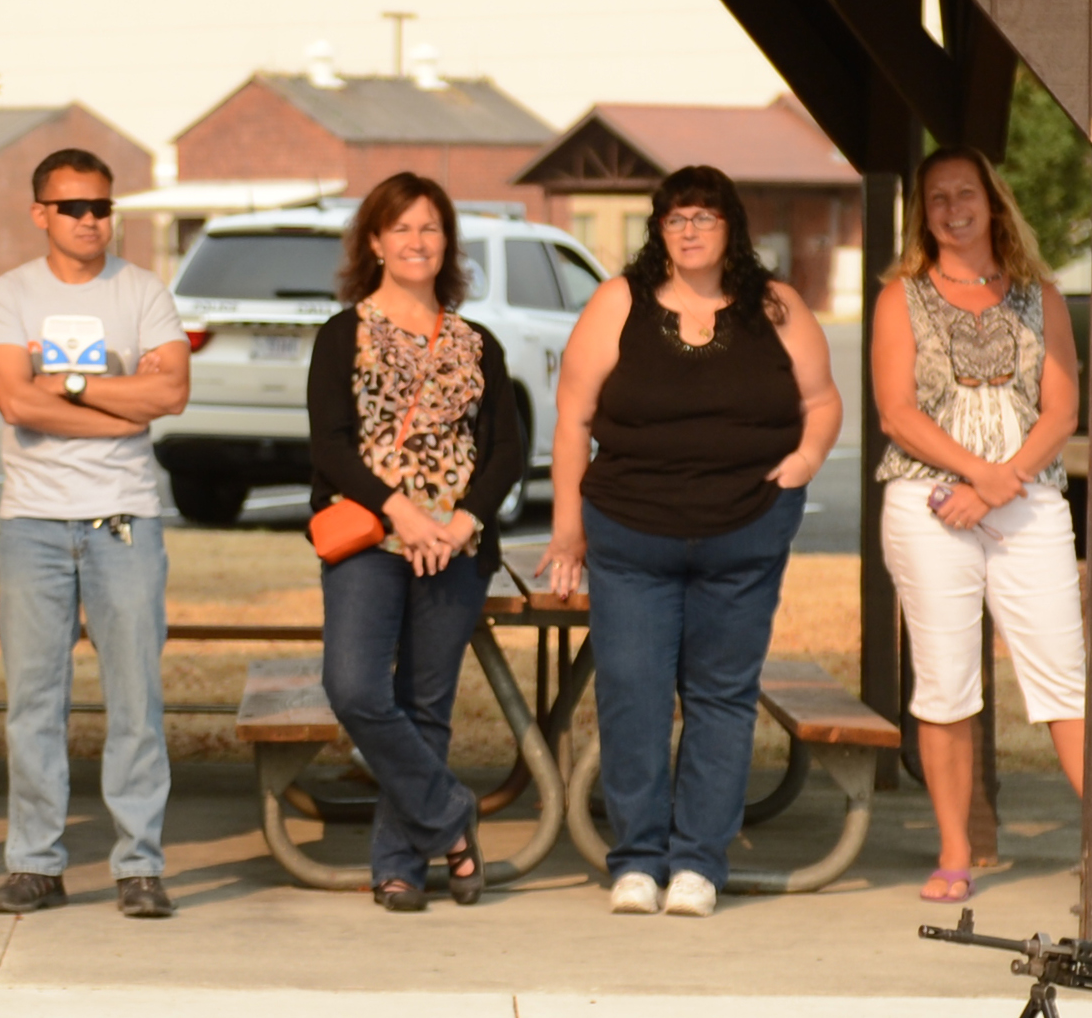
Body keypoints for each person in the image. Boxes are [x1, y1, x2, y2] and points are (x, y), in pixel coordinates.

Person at [544, 164, 842, 918]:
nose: (689, 229)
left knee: (720, 697)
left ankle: (699, 864)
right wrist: (566, 534)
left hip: (744, 531)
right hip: (631, 535)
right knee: (632, 694)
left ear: (730, 226)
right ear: (658, 227)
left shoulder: (775, 306)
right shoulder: (619, 302)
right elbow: (574, 415)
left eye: (704, 216)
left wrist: (803, 463)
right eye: (675, 217)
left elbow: (821, 399)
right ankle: (638, 861)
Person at [868, 143, 1092, 910]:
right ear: (922, 216)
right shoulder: (898, 298)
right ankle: (955, 852)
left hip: (1025, 504)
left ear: (992, 202)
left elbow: (1061, 409)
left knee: (1063, 679)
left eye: (965, 194)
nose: (952, 209)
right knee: (945, 681)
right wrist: (975, 476)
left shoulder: (1039, 296)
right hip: (928, 508)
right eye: (936, 199)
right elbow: (896, 412)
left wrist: (996, 485)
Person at [0, 145, 193, 917]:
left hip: (124, 517)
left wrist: (66, 382)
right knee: (34, 701)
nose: (89, 221)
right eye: (72, 208)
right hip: (31, 522)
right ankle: (34, 863)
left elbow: (170, 395)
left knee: (135, 699)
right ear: (40, 213)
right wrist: (115, 401)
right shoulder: (10, 294)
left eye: (101, 207)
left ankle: (139, 867)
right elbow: (15, 403)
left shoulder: (142, 292)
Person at [309, 173, 521, 911]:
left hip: (454, 546)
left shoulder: (476, 344)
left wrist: (462, 524)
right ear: (373, 242)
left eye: (429, 228)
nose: (416, 241)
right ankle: (450, 819)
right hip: (370, 535)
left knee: (426, 704)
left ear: (446, 243)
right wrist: (402, 511)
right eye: (400, 228)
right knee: (356, 689)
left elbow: (505, 451)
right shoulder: (345, 334)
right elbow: (330, 447)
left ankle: (400, 864)